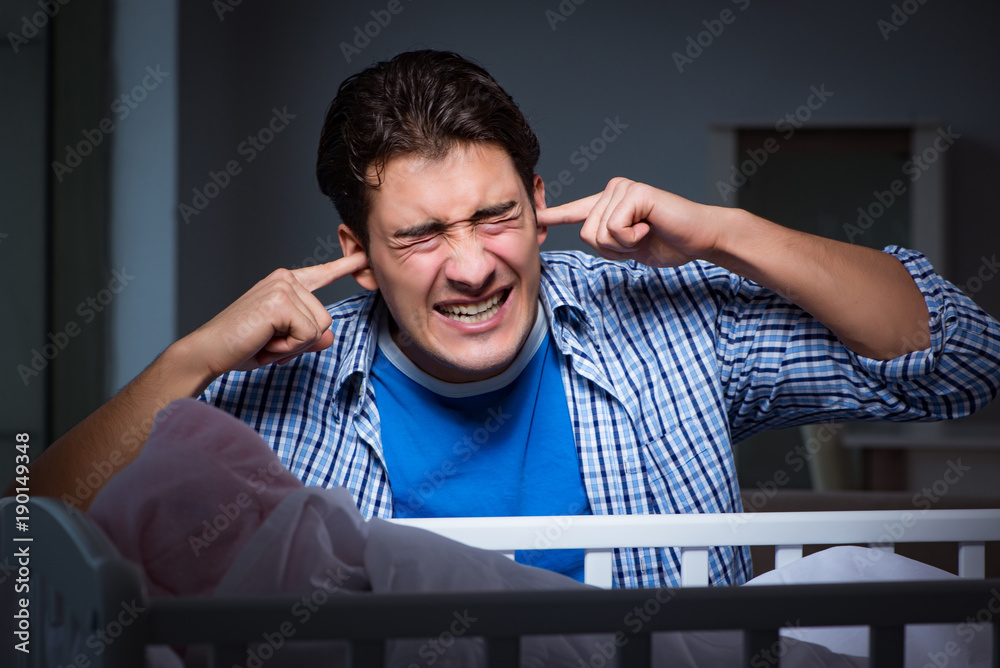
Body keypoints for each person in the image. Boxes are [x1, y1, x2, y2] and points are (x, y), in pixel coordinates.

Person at [16, 50, 1000, 588]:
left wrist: (730, 232)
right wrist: (187, 358)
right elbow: (27, 551)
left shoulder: (664, 322)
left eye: (495, 215)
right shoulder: (279, 386)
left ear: (537, 199)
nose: (473, 264)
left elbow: (964, 359)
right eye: (420, 235)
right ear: (354, 249)